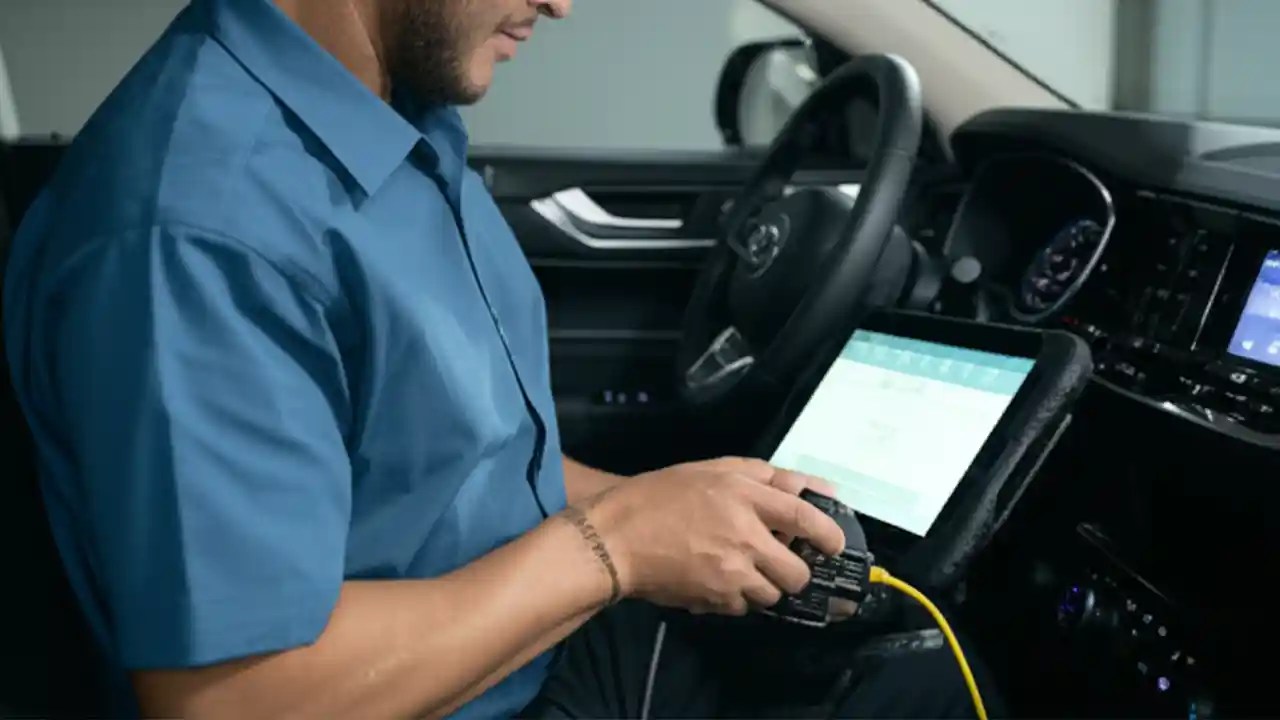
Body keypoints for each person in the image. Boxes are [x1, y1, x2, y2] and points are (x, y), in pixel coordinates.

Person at [2, 0, 993, 717]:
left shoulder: (388, 118)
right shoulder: (200, 226)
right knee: (922, 692)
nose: (560, 3)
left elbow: (444, 456)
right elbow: (238, 697)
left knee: (890, 654)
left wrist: (692, 511)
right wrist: (620, 549)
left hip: (513, 648)